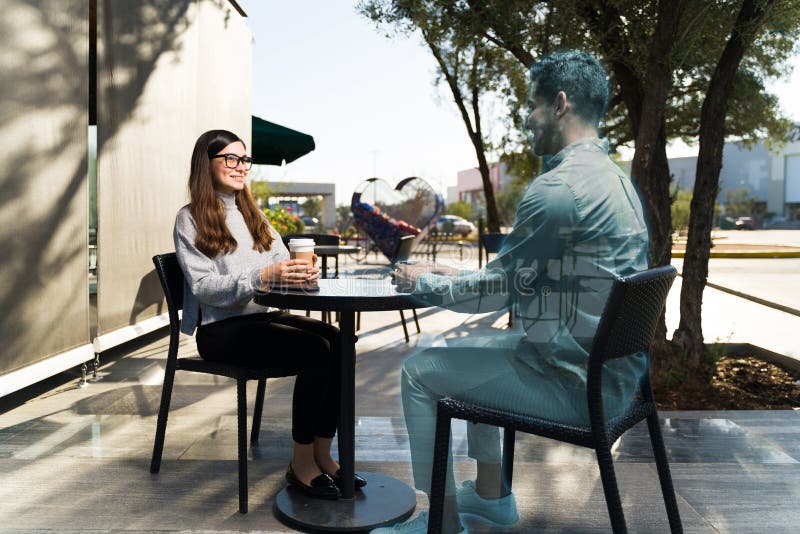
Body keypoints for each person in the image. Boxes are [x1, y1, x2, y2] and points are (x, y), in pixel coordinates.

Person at [373, 51, 650, 533]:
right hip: (612, 377)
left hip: (577, 388)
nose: (526, 118)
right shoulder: (615, 182)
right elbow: (523, 275)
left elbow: (490, 296)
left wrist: (423, 282)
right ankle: (491, 496)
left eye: (532, 106)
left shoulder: (559, 189)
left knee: (419, 372)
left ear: (559, 104)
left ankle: (440, 521)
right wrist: (445, 269)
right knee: (476, 346)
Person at [174, 129, 366, 500]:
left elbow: (280, 261)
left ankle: (323, 454)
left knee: (342, 342)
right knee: (315, 350)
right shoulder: (190, 219)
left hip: (262, 319)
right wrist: (262, 275)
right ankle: (301, 463)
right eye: (230, 158)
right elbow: (203, 288)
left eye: (244, 159)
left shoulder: (252, 213)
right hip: (221, 331)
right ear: (206, 164)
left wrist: (297, 272)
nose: (240, 166)